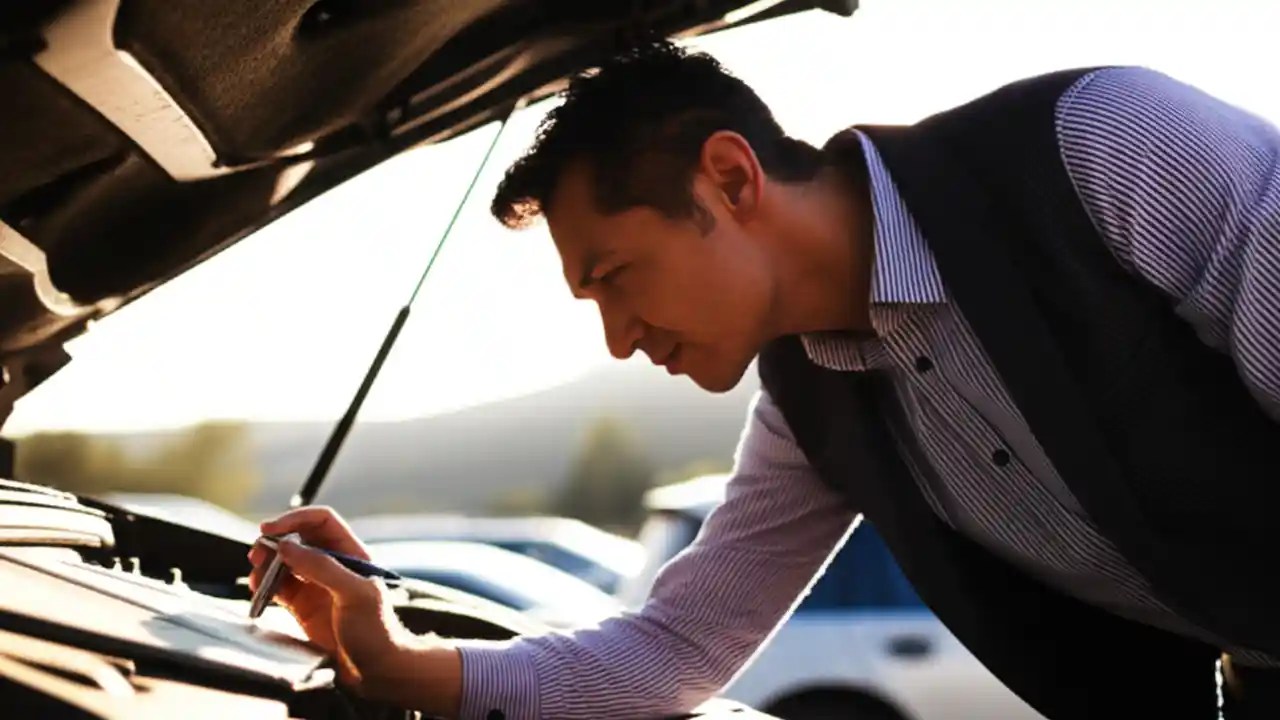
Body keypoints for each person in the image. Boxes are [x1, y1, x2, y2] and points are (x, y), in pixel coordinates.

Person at [249, 39, 1280, 720]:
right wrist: (397, 658)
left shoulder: (1104, 146)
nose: (615, 340)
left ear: (731, 180)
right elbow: (674, 650)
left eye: (613, 277)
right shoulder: (809, 407)